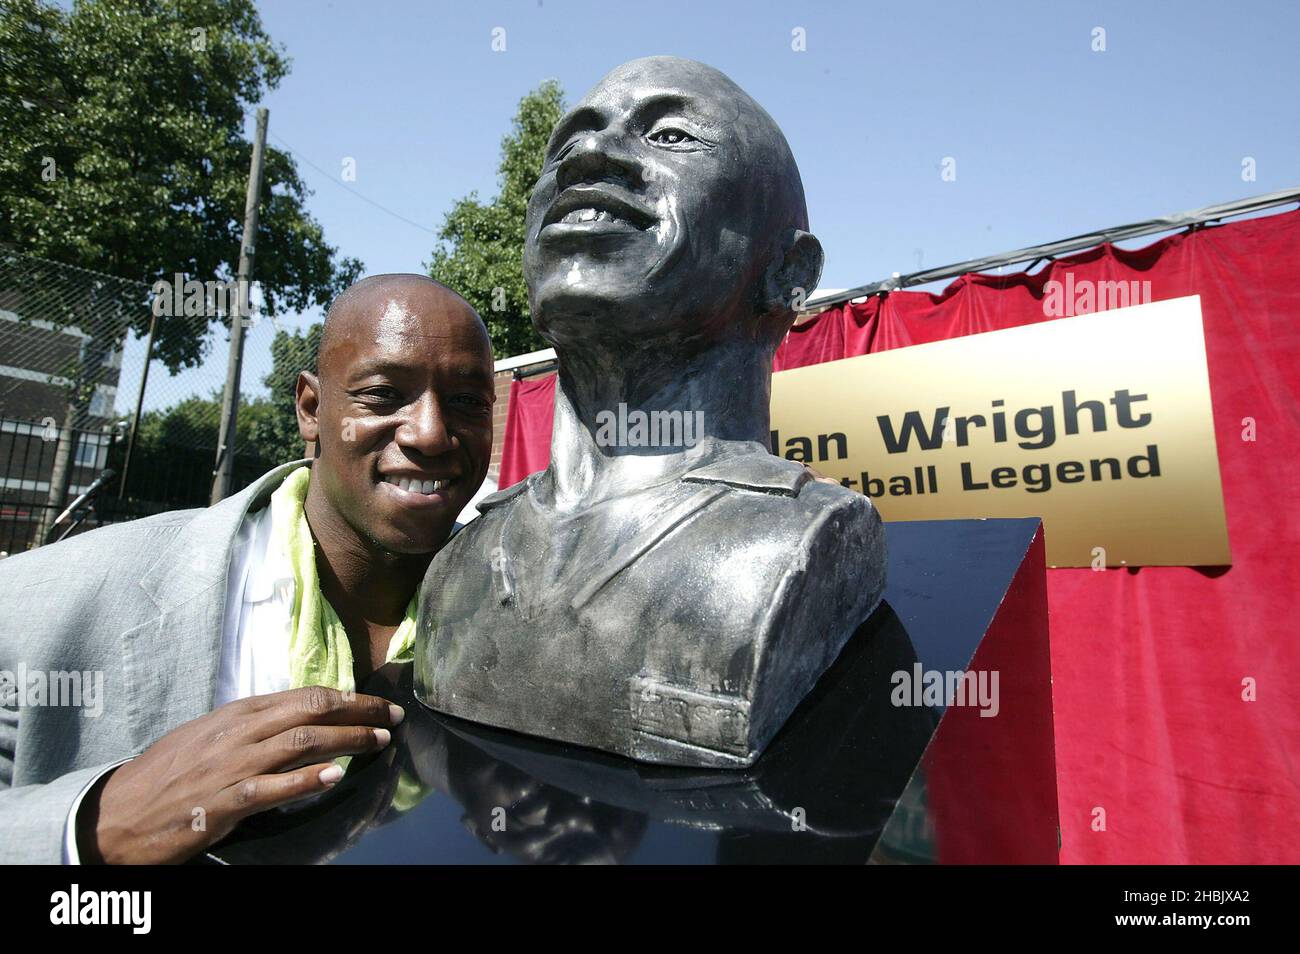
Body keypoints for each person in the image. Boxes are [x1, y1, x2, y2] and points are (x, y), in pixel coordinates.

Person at [414, 57, 886, 769]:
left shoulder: (801, 548)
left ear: (788, 275)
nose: (594, 154)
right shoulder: (457, 567)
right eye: (569, 144)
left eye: (670, 135)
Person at [0, 273, 495, 863]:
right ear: (312, 409)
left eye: (466, 401)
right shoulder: (47, 599)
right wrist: (91, 827)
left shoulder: (526, 606)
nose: (432, 433)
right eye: (383, 394)